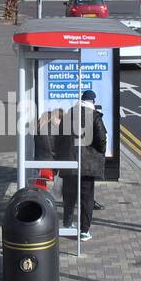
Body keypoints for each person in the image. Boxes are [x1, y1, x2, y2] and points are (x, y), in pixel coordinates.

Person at [58, 90, 106, 241]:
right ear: (92, 101)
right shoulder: (95, 116)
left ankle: (67, 223)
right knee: (86, 198)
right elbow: (101, 139)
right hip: (87, 165)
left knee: (69, 195)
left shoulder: (68, 115)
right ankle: (84, 231)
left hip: (70, 161)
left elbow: (60, 138)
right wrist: (101, 150)